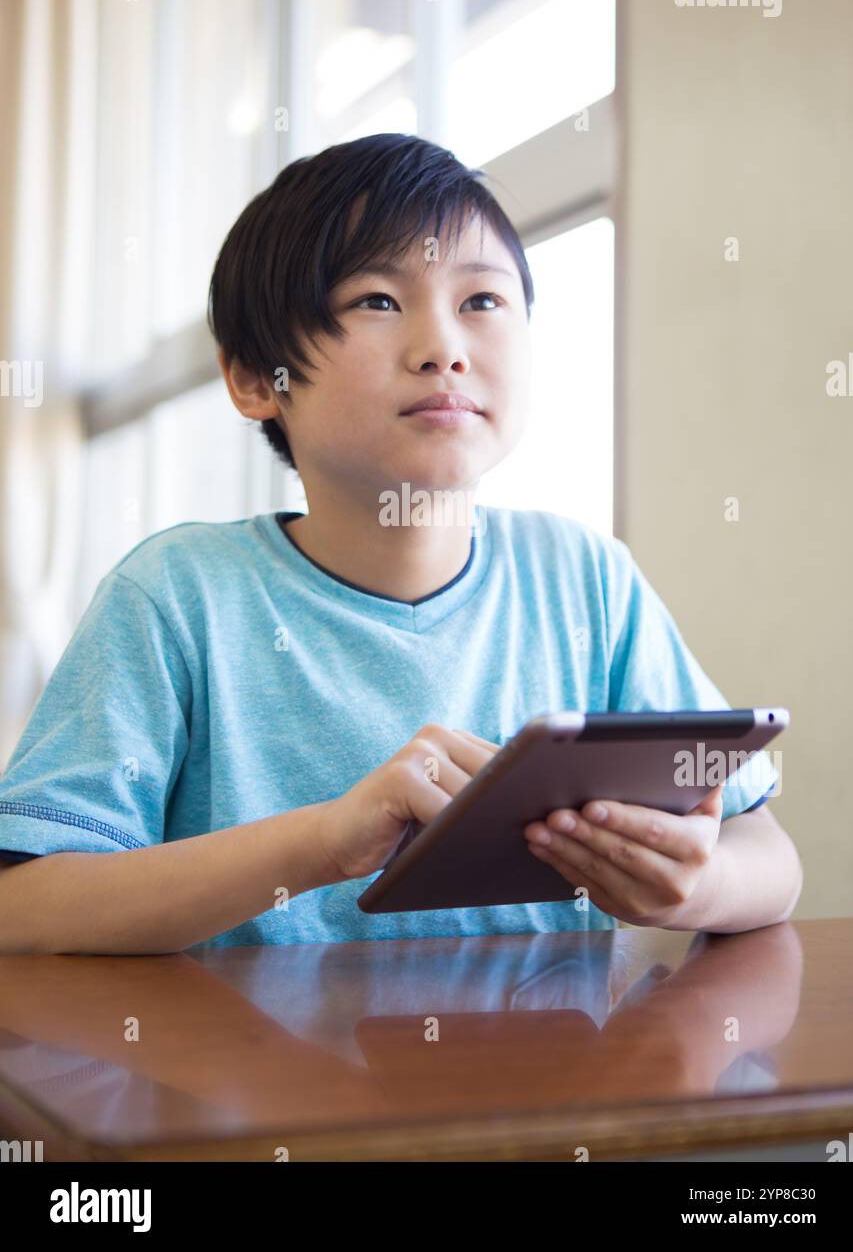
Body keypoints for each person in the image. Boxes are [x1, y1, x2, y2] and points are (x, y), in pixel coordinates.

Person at [0, 134, 802, 953]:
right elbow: (21, 909)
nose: (442, 349)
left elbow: (769, 855)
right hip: (251, 1079)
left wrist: (690, 888)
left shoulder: (586, 580)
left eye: (482, 302)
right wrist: (321, 843)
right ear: (253, 379)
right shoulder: (175, 596)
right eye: (378, 301)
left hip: (548, 1078)